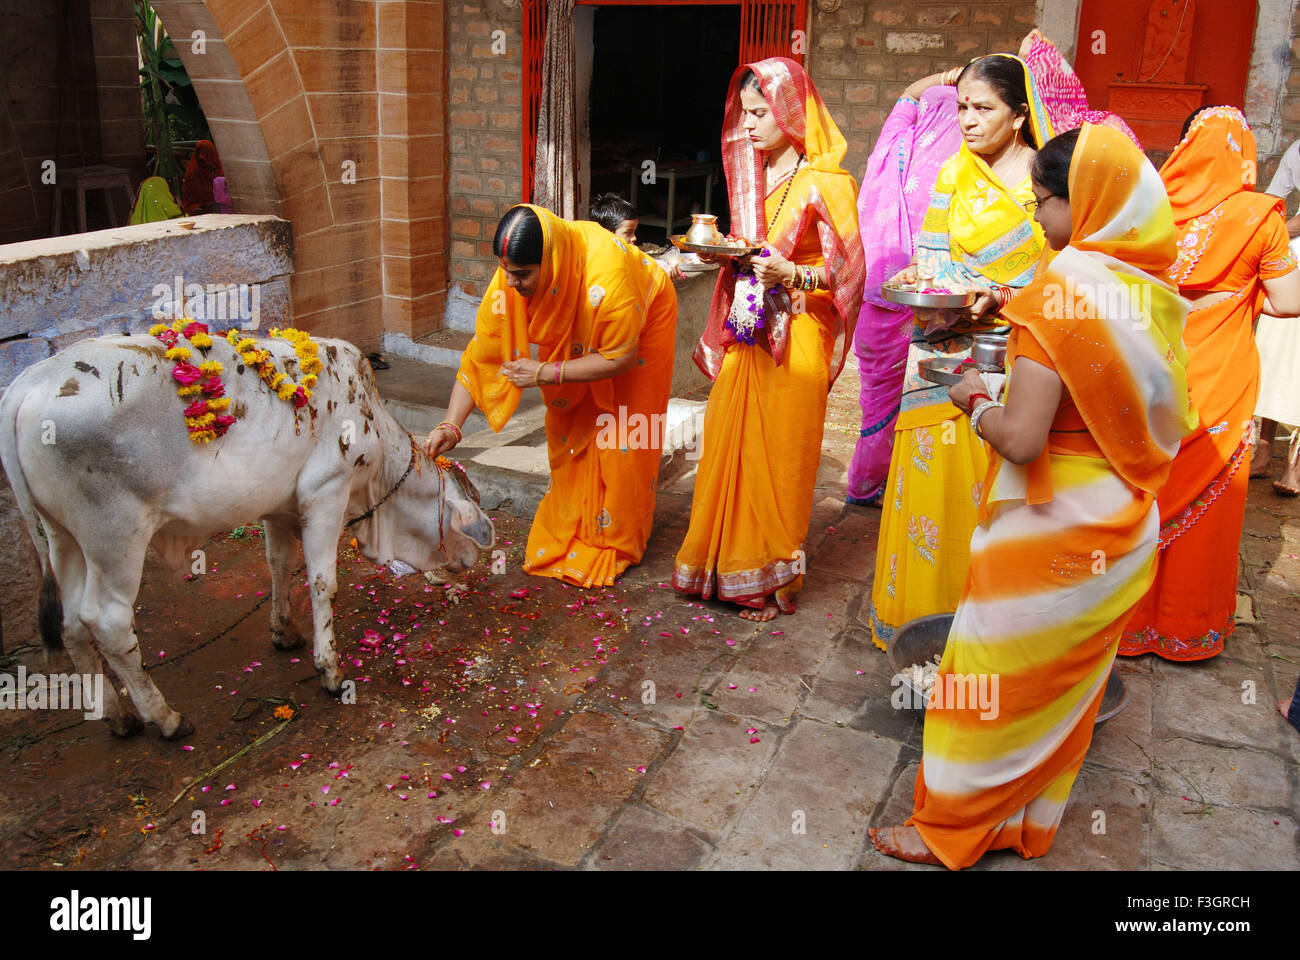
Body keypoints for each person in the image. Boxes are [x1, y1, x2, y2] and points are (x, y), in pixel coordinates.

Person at [870, 124, 1195, 869]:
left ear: (1084, 203)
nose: (1038, 216)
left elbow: (1021, 440)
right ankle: (1021, 819)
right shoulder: (1152, 293)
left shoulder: (1060, 296)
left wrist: (972, 398)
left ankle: (946, 827)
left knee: (983, 679)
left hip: (1048, 532)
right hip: (1120, 529)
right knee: (1058, 689)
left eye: (1044, 201)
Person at [867, 53, 1054, 651]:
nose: (967, 120)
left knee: (996, 491)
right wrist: (938, 292)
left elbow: (1058, 275)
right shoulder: (953, 171)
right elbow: (931, 258)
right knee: (931, 488)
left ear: (1019, 116)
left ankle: (988, 640)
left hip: (1015, 353)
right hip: (939, 350)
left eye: (983, 108)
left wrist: (998, 294)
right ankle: (921, 624)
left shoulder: (1044, 185)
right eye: (963, 107)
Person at [671, 57, 864, 622]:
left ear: (790, 111)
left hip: (798, 332)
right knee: (729, 438)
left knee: (781, 452)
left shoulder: (827, 182)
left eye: (761, 113)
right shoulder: (756, 181)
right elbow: (747, 250)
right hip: (749, 326)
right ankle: (719, 564)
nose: (749, 125)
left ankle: (772, 574)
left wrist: (795, 275)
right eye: (745, 114)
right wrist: (717, 254)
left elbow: (851, 275)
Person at [1120, 107, 1300, 662]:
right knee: (1212, 502)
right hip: (1223, 378)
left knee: (1143, 490)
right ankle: (1184, 626)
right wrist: (1245, 294)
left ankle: (1123, 621)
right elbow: (1290, 302)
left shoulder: (1154, 208)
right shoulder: (1260, 216)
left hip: (1152, 375)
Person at [423, 203, 677, 588]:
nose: (510, 282)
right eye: (504, 270)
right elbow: (482, 355)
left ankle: (617, 538)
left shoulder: (605, 276)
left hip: (646, 318)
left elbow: (619, 358)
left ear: (552, 263)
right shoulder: (511, 276)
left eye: (521, 274)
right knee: (572, 422)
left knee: (627, 432)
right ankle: (575, 527)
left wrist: (544, 372)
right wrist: (451, 425)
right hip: (593, 329)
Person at [845, 80, 961, 506]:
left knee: (875, 398)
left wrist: (943, 77)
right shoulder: (955, 171)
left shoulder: (890, 147)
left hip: (872, 296)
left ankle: (866, 483)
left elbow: (907, 99)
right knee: (914, 400)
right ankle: (880, 484)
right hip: (920, 302)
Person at [1250, 137, 1300, 493]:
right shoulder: (1296, 150)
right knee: (1270, 350)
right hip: (1291, 261)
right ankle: (1264, 450)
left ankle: (1294, 467)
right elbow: (1272, 200)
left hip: (1287, 249)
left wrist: (1269, 234)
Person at [589, 192, 683, 280]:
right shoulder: (600, 265)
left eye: (634, 232)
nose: (634, 238)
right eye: (628, 232)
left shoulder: (630, 257)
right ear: (608, 233)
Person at [181, 139, 224, 215]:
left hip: (221, 208)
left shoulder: (219, 170)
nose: (203, 158)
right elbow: (188, 202)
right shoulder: (192, 174)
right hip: (201, 209)